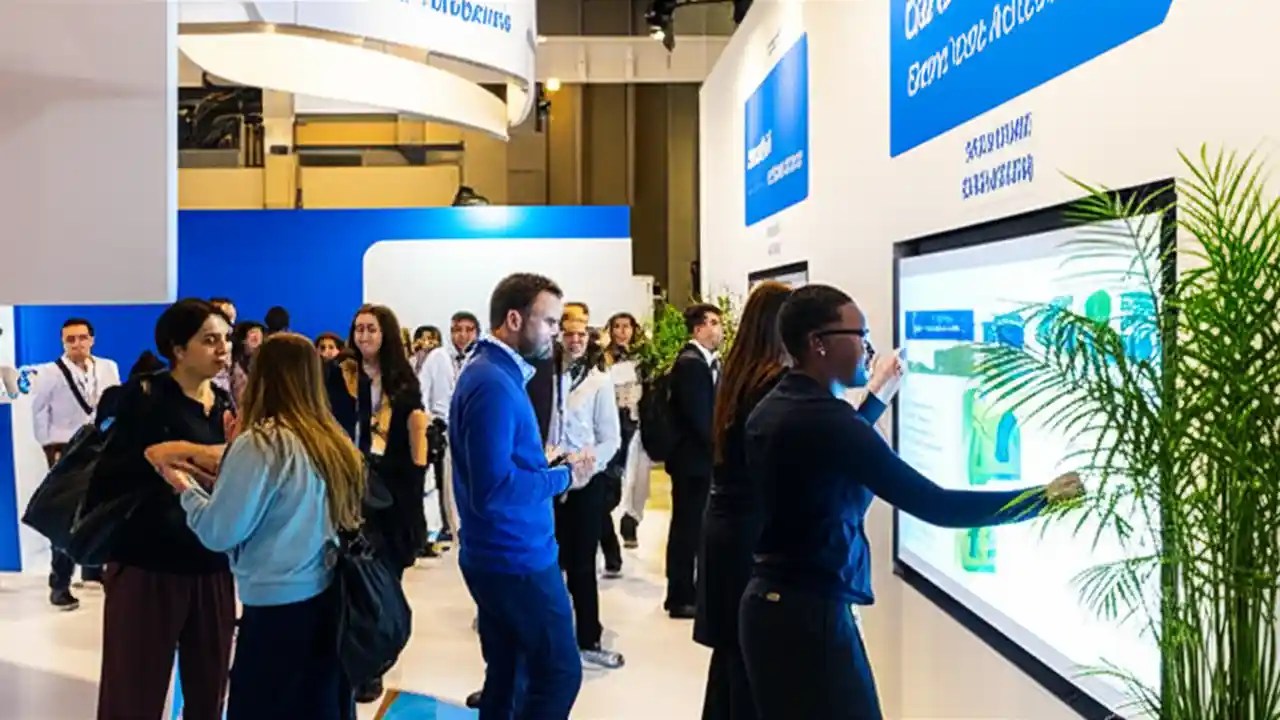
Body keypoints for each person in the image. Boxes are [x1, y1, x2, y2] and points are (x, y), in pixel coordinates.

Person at [738, 285, 1085, 719]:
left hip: (773, 610)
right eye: (859, 334)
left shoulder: (780, 408)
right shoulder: (828, 423)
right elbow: (935, 504)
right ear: (819, 344)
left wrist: (877, 397)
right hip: (810, 621)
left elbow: (828, 456)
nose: (869, 348)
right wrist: (1043, 498)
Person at [163, 333, 360, 720]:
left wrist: (183, 487)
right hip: (326, 602)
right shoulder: (331, 439)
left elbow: (219, 531)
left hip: (275, 611)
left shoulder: (262, 443)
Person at [450, 273, 593, 719]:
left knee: (510, 673)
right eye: (549, 322)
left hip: (502, 554)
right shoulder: (492, 382)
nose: (556, 333)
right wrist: (564, 477)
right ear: (514, 319)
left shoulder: (491, 373)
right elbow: (494, 490)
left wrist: (544, 465)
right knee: (558, 673)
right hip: (516, 558)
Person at [90, 299, 237, 720]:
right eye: (209, 340)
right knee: (133, 693)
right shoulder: (142, 396)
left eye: (225, 339)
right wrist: (186, 463)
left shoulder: (225, 403)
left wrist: (194, 461)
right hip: (146, 566)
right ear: (178, 348)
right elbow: (113, 475)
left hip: (211, 565)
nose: (222, 349)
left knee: (209, 694)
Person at [693, 281, 791, 720]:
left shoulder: (739, 372)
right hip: (748, 534)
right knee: (752, 666)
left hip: (726, 529)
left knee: (733, 661)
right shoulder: (774, 383)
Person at [325, 304, 429, 704]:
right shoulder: (338, 375)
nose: (364, 336)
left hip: (391, 490)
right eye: (358, 329)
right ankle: (347, 658)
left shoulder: (403, 381)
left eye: (371, 329)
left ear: (386, 333)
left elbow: (415, 441)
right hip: (345, 484)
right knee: (347, 577)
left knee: (384, 579)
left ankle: (375, 664)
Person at [30, 317, 121, 609]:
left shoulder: (108, 367)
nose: (77, 344)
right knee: (65, 515)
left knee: (101, 509)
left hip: (102, 446)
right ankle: (59, 582)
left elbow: (115, 404)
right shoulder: (50, 373)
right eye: (70, 339)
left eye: (82, 338)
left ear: (92, 339)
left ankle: (93, 568)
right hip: (66, 450)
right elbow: (39, 410)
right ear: (62, 342)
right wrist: (49, 447)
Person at [551, 313, 624, 669]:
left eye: (580, 335)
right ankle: (550, 637)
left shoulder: (599, 382)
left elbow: (611, 437)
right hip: (547, 482)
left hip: (585, 483)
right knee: (548, 563)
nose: (575, 340)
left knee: (582, 565)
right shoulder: (544, 377)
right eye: (568, 334)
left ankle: (589, 638)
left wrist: (587, 464)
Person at [664, 302, 724, 619]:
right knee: (688, 529)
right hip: (693, 463)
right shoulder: (691, 364)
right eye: (713, 323)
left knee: (695, 527)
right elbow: (701, 418)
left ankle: (690, 593)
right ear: (698, 328)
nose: (719, 330)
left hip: (698, 462)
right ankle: (681, 595)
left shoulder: (707, 363)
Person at [418, 311, 480, 550]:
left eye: (468, 329)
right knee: (448, 482)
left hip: (476, 432)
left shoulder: (480, 358)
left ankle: (474, 527)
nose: (463, 335)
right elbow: (422, 391)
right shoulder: (438, 357)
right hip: (444, 430)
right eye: (457, 329)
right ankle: (455, 529)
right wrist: (429, 422)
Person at [601, 311, 646, 561]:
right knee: (613, 476)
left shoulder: (643, 357)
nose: (622, 331)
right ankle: (605, 523)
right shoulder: (604, 357)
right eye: (616, 326)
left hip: (638, 422)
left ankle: (630, 523)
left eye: (626, 326)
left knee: (637, 479)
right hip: (614, 422)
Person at [230, 321, 266, 407]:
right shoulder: (233, 367)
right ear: (243, 340)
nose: (258, 339)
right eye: (253, 336)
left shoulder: (264, 366)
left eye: (260, 337)